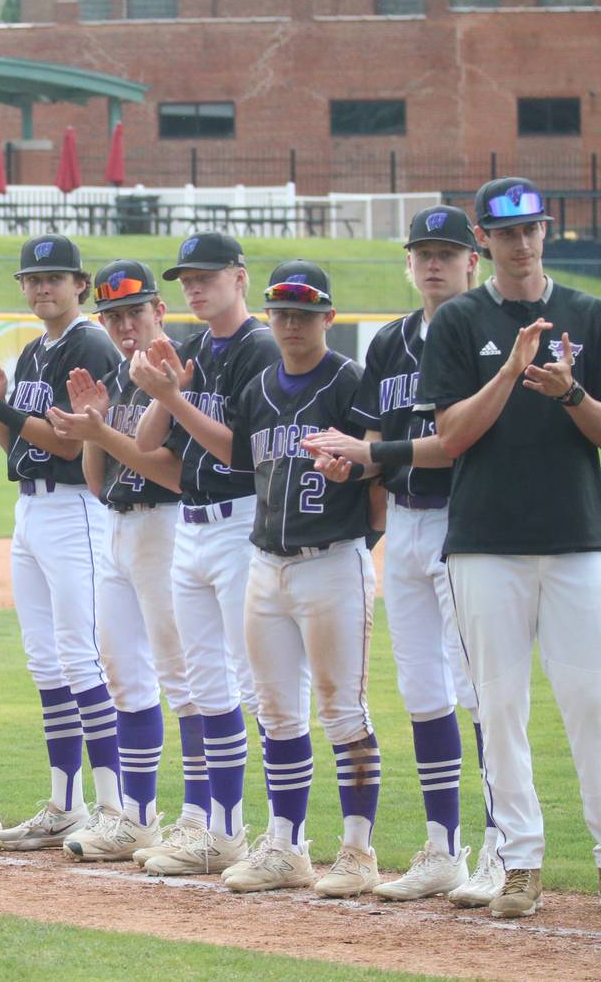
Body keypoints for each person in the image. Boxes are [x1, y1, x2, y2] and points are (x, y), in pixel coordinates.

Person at [415, 176, 601, 918]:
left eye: (530, 229)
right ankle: (520, 860)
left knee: (592, 699)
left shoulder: (586, 310)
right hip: (486, 540)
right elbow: (453, 435)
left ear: (545, 231)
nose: (520, 243)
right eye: (504, 231)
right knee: (501, 705)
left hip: (576, 536)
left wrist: (568, 392)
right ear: (484, 240)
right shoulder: (460, 319)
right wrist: (509, 369)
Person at [303, 206, 489, 902]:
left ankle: (504, 846)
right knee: (421, 688)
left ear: (474, 261)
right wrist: (344, 463)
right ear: (408, 263)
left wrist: (369, 451)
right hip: (405, 526)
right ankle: (443, 847)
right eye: (423, 252)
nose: (434, 262)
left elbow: (465, 439)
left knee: (478, 688)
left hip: (465, 520)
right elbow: (371, 439)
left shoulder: (483, 334)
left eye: (448, 251)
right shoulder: (390, 343)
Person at [207, 261, 380, 898]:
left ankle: (359, 851)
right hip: (264, 563)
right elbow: (240, 461)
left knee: (342, 711)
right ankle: (286, 846)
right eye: (281, 312)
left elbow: (379, 473)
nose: (290, 324)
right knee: (277, 712)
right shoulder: (256, 390)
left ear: (329, 318)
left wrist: (357, 495)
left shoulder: (351, 382)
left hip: (333, 560)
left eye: (305, 313)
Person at [0, 235, 123, 852]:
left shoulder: (89, 343)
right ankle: (64, 803)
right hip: (32, 509)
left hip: (75, 505)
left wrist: (0, 405)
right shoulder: (33, 350)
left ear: (81, 283)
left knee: (80, 658)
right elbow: (21, 434)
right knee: (46, 663)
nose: (43, 287)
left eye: (56, 276)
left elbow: (71, 443)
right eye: (33, 278)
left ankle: (111, 805)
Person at [129, 232, 289, 876]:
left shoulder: (259, 346)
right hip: (190, 526)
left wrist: (171, 398)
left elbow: (241, 453)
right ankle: (223, 832)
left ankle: (285, 839)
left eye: (207, 276)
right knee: (207, 687)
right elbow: (148, 449)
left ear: (240, 277)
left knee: (259, 686)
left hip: (241, 519)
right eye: (186, 278)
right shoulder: (191, 347)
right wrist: (154, 391)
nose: (194, 287)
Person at [48, 260, 198, 863]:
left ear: (160, 311)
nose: (124, 324)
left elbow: (168, 469)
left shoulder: (178, 370)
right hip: (118, 525)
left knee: (184, 678)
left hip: (168, 526)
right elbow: (98, 481)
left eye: (135, 311)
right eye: (112, 315)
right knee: (124, 678)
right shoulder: (118, 374)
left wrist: (104, 432)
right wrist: (93, 429)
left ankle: (200, 817)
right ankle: (137, 816)